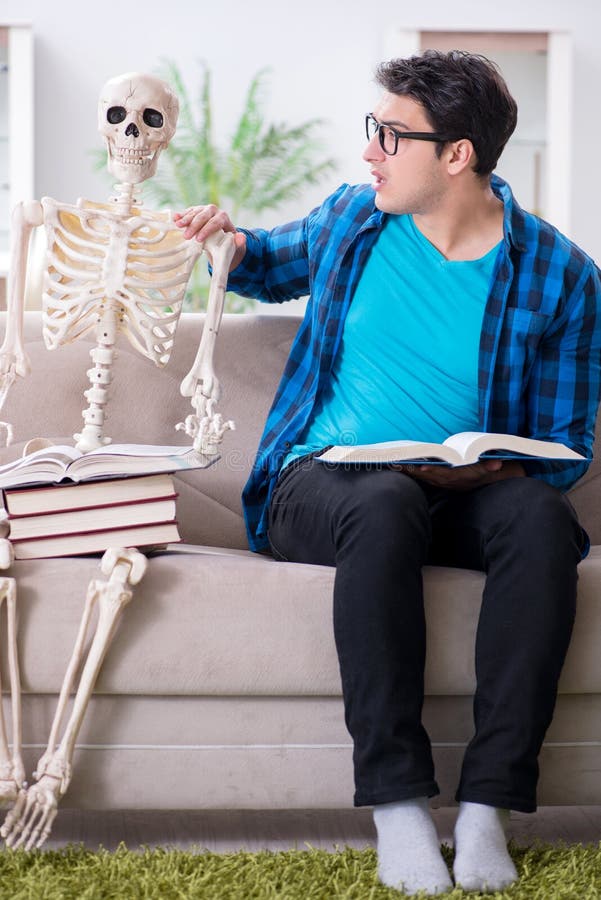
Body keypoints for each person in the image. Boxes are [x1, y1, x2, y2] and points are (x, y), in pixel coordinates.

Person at [174, 50, 601, 896]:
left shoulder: (561, 276)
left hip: (463, 496)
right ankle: (398, 804)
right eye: (374, 130)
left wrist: (490, 468)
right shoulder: (351, 219)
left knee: (540, 521)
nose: (369, 151)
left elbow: (563, 440)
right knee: (382, 501)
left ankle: (487, 807)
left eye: (391, 135)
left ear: (457, 154)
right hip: (323, 487)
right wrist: (220, 238)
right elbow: (262, 262)